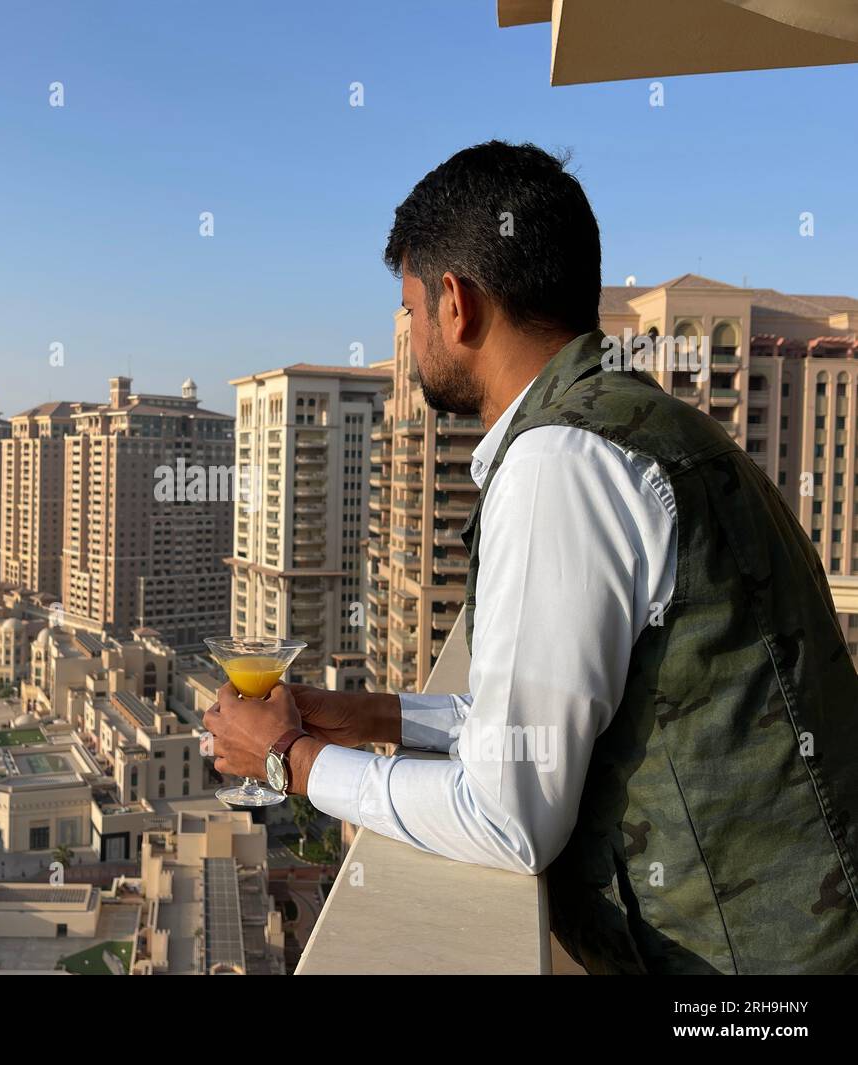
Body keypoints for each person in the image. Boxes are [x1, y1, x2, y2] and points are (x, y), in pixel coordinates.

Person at [202, 140, 858, 975]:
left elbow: (506, 815)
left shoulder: (560, 463)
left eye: (410, 312)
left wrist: (287, 760)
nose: (411, 337)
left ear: (457, 304)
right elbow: (541, 721)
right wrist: (368, 717)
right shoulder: (639, 423)